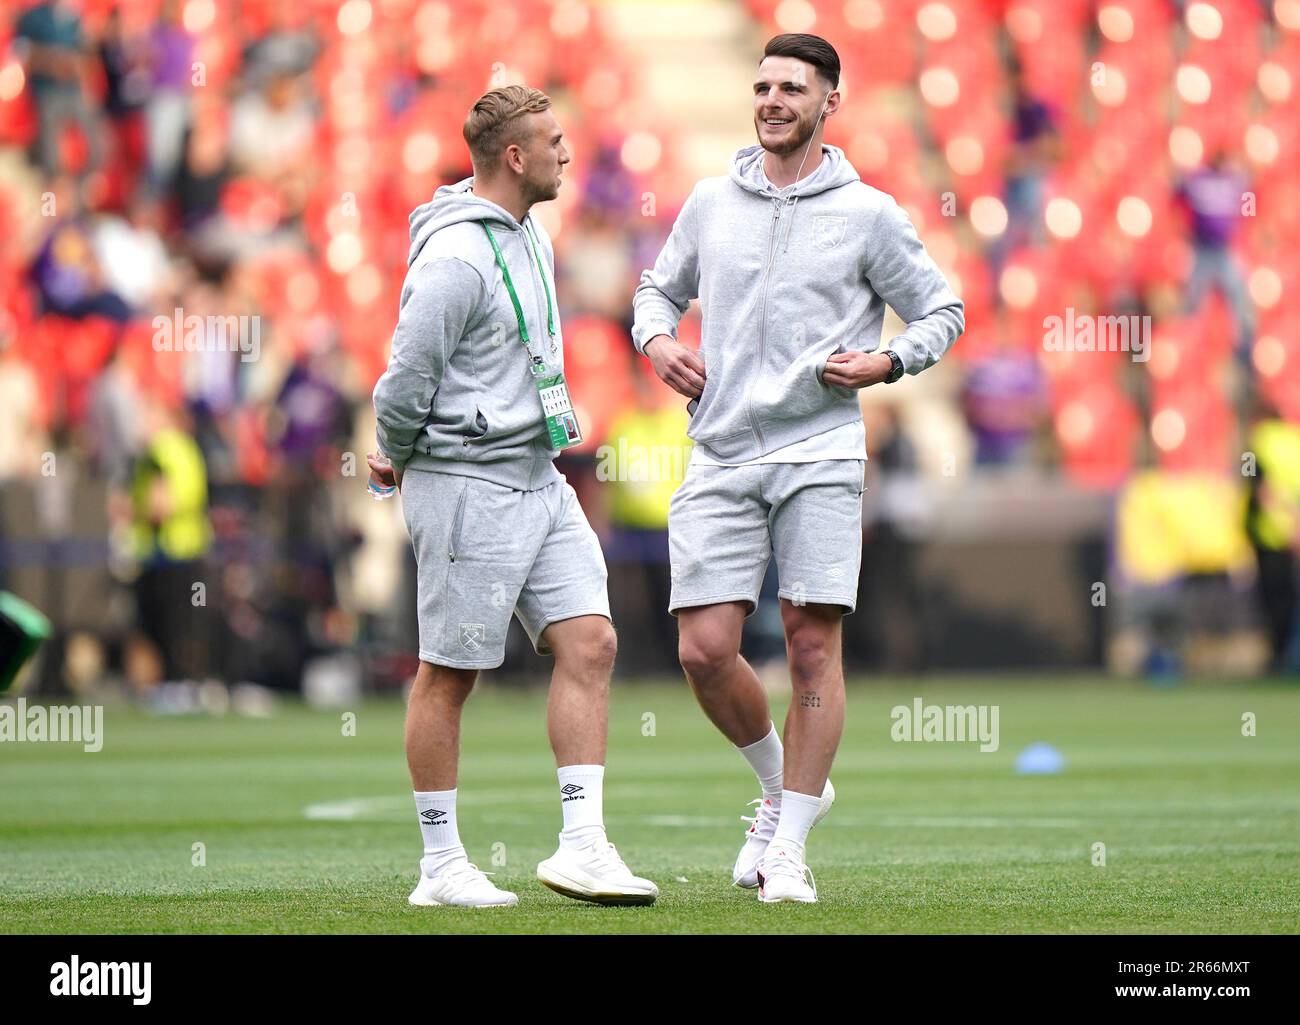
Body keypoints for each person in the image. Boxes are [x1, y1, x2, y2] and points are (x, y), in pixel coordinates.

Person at [632, 34, 964, 902]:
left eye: (793, 88)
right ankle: (784, 792)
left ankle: (789, 850)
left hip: (820, 451)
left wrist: (890, 364)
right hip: (721, 449)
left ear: (830, 102)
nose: (773, 100)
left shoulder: (870, 213)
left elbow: (942, 307)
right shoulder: (711, 201)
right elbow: (655, 291)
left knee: (814, 648)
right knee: (705, 649)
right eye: (764, 85)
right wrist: (658, 338)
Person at [368, 85, 657, 908]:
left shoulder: (528, 227)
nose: (569, 153)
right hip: (467, 478)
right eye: (554, 141)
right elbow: (404, 378)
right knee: (450, 672)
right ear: (516, 157)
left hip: (537, 470)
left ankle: (582, 845)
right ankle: (440, 865)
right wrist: (396, 451)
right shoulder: (458, 259)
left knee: (592, 641)